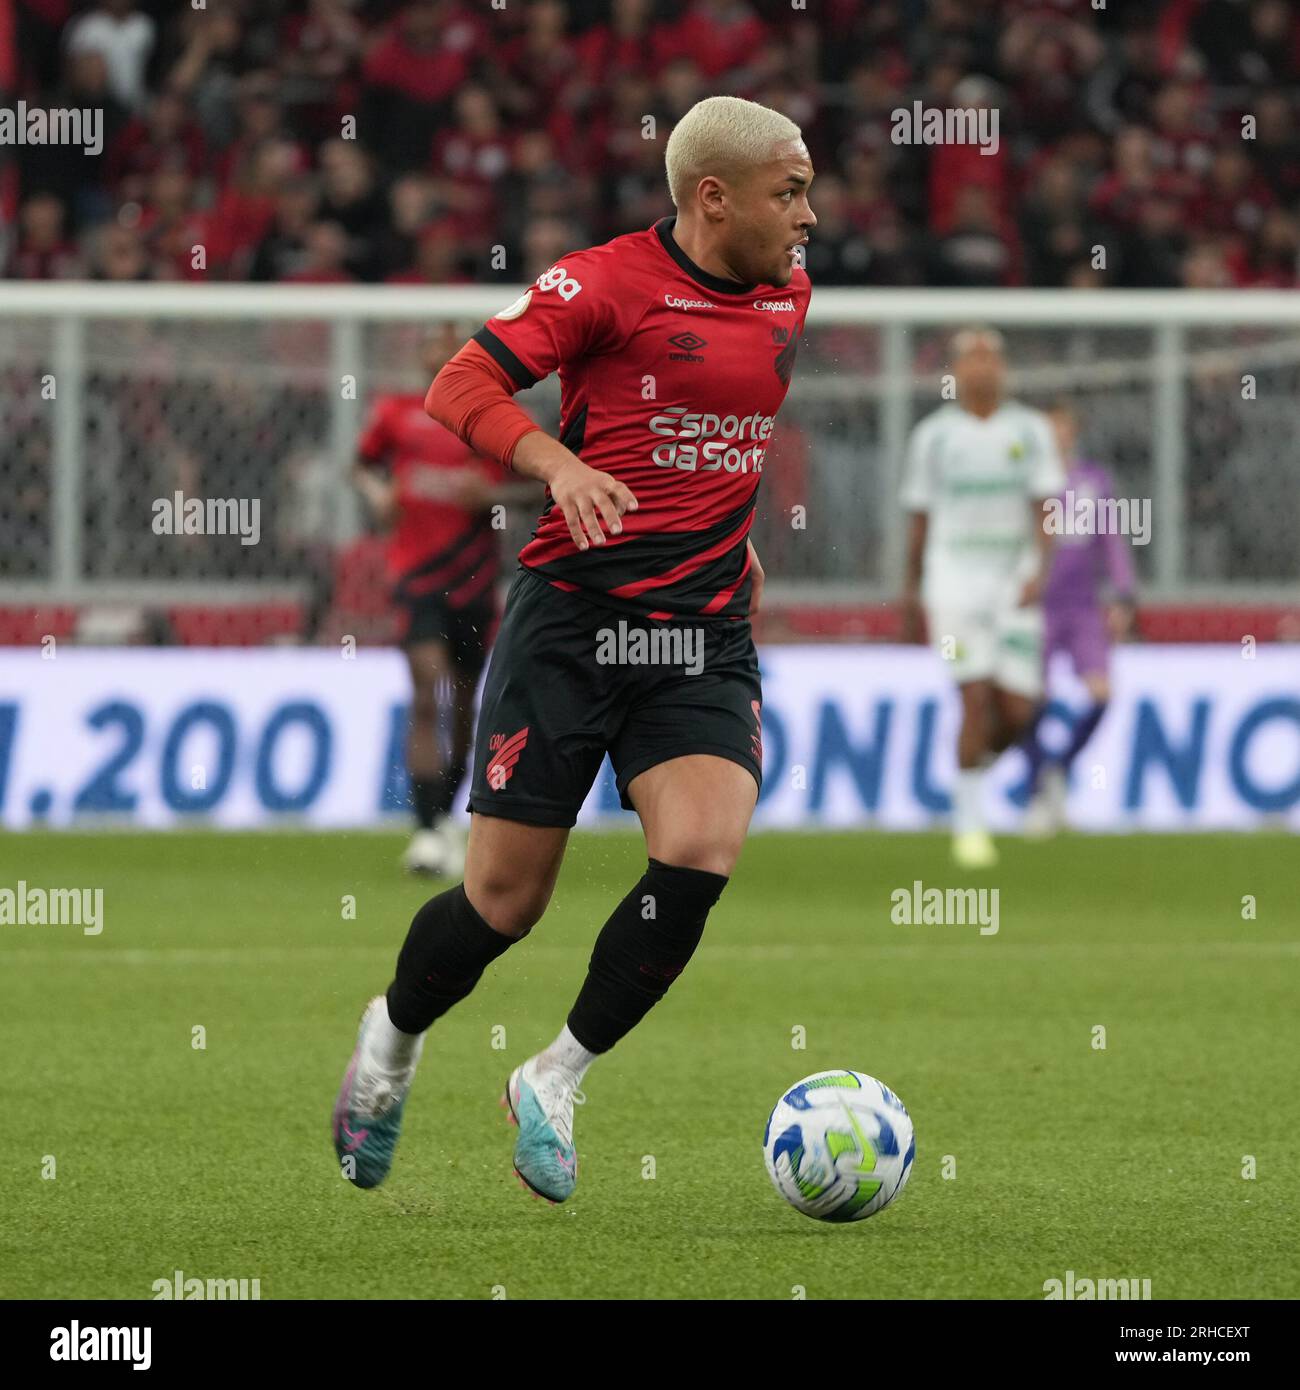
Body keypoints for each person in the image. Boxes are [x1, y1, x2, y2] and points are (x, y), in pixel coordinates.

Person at [332, 95, 815, 1203]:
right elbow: (462, 384)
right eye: (789, 191)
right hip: (573, 624)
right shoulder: (600, 284)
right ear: (713, 197)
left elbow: (717, 436)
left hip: (699, 629)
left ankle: (553, 1076)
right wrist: (558, 466)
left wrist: (725, 540)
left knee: (700, 852)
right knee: (505, 902)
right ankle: (392, 1040)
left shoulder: (789, 291)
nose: (809, 215)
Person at [354, 325, 530, 875]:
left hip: (474, 583)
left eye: (451, 342)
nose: (439, 351)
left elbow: (542, 481)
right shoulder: (397, 412)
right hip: (415, 577)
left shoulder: (491, 417)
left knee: (462, 704)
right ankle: (426, 829)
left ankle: (446, 819)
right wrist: (378, 492)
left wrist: (495, 495)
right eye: (432, 341)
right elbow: (360, 465)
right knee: (427, 687)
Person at [899, 328, 1065, 869]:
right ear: (955, 372)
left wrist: (1041, 569)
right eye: (972, 359)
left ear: (1004, 369)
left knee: (1019, 710)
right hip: (952, 584)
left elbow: (1045, 507)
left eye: (992, 358)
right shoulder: (933, 437)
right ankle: (970, 827)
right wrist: (911, 589)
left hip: (1013, 583)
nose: (983, 368)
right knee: (972, 698)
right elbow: (919, 518)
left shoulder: (1031, 430)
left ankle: (969, 772)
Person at [1022, 401, 1137, 835]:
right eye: (1050, 430)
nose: (1058, 437)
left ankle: (1057, 769)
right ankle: (1037, 794)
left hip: (1083, 604)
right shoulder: (1029, 484)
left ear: (1074, 432)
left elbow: (1111, 542)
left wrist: (1122, 595)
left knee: (1101, 694)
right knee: (1029, 700)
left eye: (1064, 429)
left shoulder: (1093, 482)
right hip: (1036, 607)